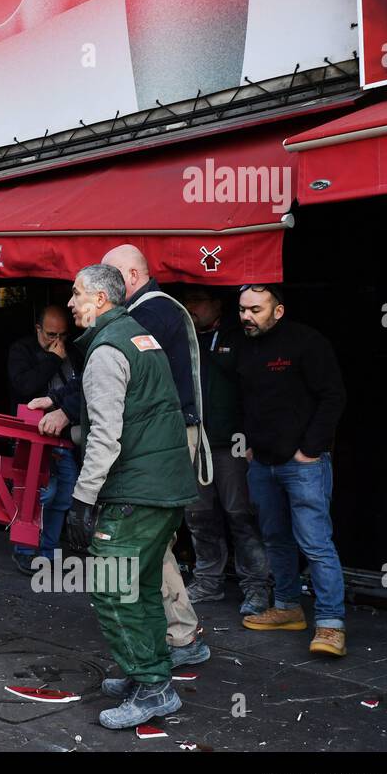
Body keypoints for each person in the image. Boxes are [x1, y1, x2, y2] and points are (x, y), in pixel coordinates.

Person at [66, 264, 199, 729]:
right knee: (140, 586)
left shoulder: (106, 350)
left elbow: (105, 436)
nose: (70, 303)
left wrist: (82, 501)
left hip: (135, 490)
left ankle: (155, 689)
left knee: (112, 586)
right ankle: (149, 674)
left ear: (101, 300)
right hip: (164, 486)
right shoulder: (140, 336)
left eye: (77, 294)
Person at [101, 244, 207, 667]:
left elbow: (124, 379)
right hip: (170, 437)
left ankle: (177, 638)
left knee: (148, 536)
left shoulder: (149, 315)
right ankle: (174, 635)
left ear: (129, 275)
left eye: (108, 280)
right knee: (154, 538)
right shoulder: (156, 312)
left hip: (165, 440)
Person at [235, 284, 348, 656]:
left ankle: (331, 623)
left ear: (278, 311)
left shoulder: (307, 343)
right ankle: (287, 608)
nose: (247, 317)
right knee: (275, 540)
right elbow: (248, 399)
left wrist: (309, 450)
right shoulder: (247, 346)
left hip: (302, 466)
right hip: (262, 464)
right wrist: (251, 444)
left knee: (315, 543)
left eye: (255, 310)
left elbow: (333, 396)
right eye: (242, 310)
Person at [180, 288, 271, 615]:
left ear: (217, 304)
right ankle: (208, 581)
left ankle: (257, 586)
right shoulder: (180, 336)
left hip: (231, 443)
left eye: (198, 300)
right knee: (197, 516)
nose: (191, 307)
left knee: (241, 516)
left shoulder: (239, 336)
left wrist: (250, 438)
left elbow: (256, 390)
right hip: (192, 442)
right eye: (188, 301)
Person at [8, 306, 80, 574]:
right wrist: (51, 359)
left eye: (62, 334)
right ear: (38, 329)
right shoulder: (21, 350)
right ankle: (25, 550)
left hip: (65, 435)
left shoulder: (72, 350)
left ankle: (48, 553)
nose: (57, 341)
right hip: (31, 436)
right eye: (51, 334)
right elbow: (24, 387)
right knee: (37, 494)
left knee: (64, 494)